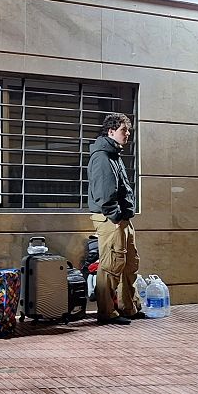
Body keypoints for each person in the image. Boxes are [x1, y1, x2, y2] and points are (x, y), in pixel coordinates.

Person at [87, 112, 139, 324]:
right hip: (111, 219)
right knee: (111, 265)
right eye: (123, 130)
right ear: (110, 132)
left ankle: (129, 308)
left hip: (122, 219)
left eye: (127, 130)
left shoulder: (114, 154)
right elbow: (104, 192)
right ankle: (107, 313)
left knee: (129, 264)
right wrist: (116, 217)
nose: (127, 134)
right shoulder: (102, 156)